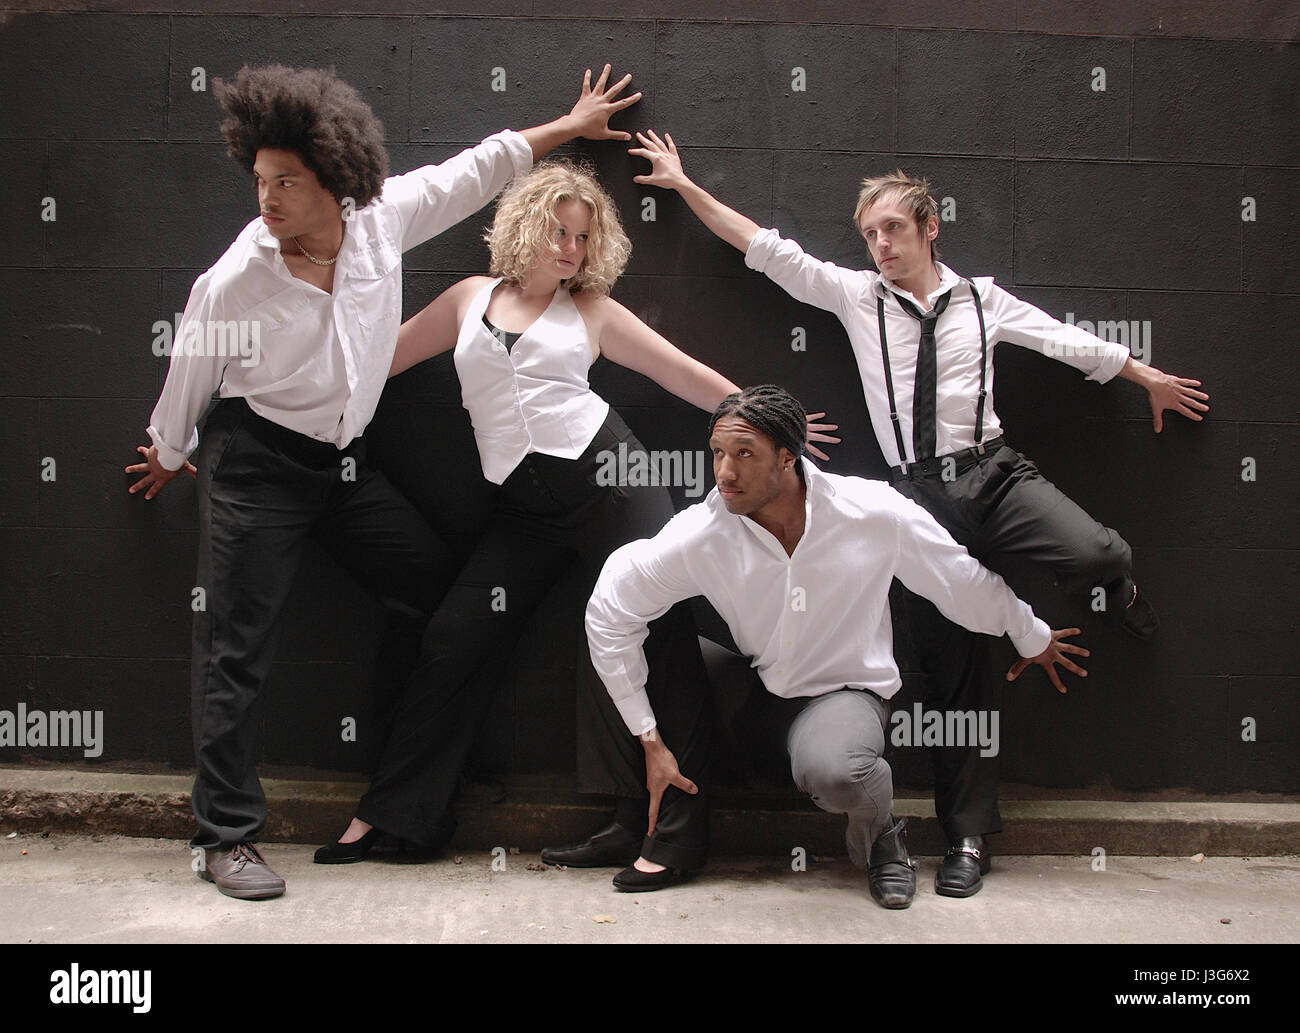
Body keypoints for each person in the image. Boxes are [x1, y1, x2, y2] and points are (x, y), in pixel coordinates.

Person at [621, 132, 1210, 898]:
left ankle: (1120, 594)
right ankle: (967, 838)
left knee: (1097, 554)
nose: (880, 245)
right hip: (919, 495)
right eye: (869, 235)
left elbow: (1063, 342)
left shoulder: (982, 299)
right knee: (962, 669)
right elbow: (767, 250)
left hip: (996, 474)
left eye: (893, 229)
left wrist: (1145, 375)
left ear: (932, 226)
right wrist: (683, 182)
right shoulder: (855, 297)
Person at [125, 61, 643, 900]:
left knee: (444, 598)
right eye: (261, 179)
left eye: (288, 181)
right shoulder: (233, 280)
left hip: (343, 465)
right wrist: (169, 451)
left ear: (336, 180)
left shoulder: (380, 221)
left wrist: (568, 126)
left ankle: (419, 779)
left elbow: (481, 167)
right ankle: (227, 835)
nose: (269, 197)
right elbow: (190, 374)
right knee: (237, 648)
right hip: (257, 467)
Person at [318, 162, 838, 863]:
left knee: (660, 641)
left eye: (583, 237)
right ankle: (399, 815)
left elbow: (676, 370)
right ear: (526, 225)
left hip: (612, 487)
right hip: (522, 508)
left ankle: (670, 836)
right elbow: (372, 365)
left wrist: (768, 419)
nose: (570, 248)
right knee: (452, 639)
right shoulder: (468, 299)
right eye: (558, 232)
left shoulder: (589, 309)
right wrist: (269, 409)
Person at [570, 385, 1087, 906]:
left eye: (744, 454)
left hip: (839, 700)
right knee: (622, 636)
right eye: (718, 454)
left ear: (788, 457)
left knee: (835, 770)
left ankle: (883, 839)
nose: (725, 472)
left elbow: (959, 581)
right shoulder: (704, 532)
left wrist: (1031, 635)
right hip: (752, 690)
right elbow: (612, 608)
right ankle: (645, 826)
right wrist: (650, 741)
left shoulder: (872, 513)